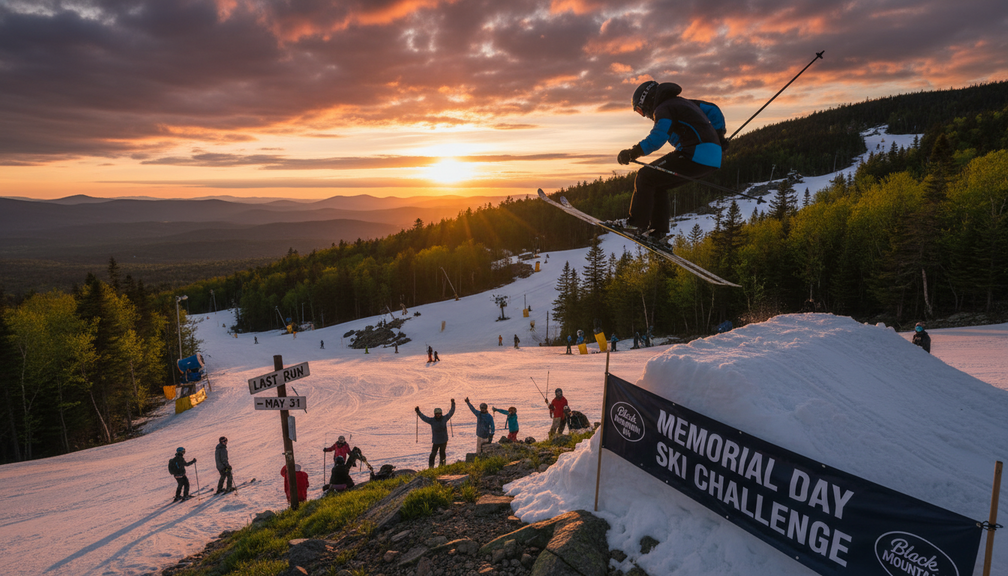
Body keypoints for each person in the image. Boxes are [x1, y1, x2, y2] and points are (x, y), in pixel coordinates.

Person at [613, 81, 726, 240]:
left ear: (647, 100)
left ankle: (635, 224)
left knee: (645, 176)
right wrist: (719, 137)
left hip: (694, 153)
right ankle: (657, 232)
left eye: (640, 110)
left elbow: (658, 136)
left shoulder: (664, 108)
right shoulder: (683, 103)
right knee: (657, 183)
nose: (644, 115)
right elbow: (713, 110)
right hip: (712, 157)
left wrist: (633, 152)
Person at [416, 399, 456, 468]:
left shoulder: (444, 419)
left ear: (441, 413)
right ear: (435, 414)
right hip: (436, 441)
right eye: (437, 413)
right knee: (433, 454)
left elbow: (451, 412)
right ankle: (431, 467)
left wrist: (453, 403)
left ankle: (442, 467)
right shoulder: (432, 420)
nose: (438, 415)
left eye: (439, 413)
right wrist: (418, 412)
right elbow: (424, 418)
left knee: (442, 454)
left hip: (443, 441)